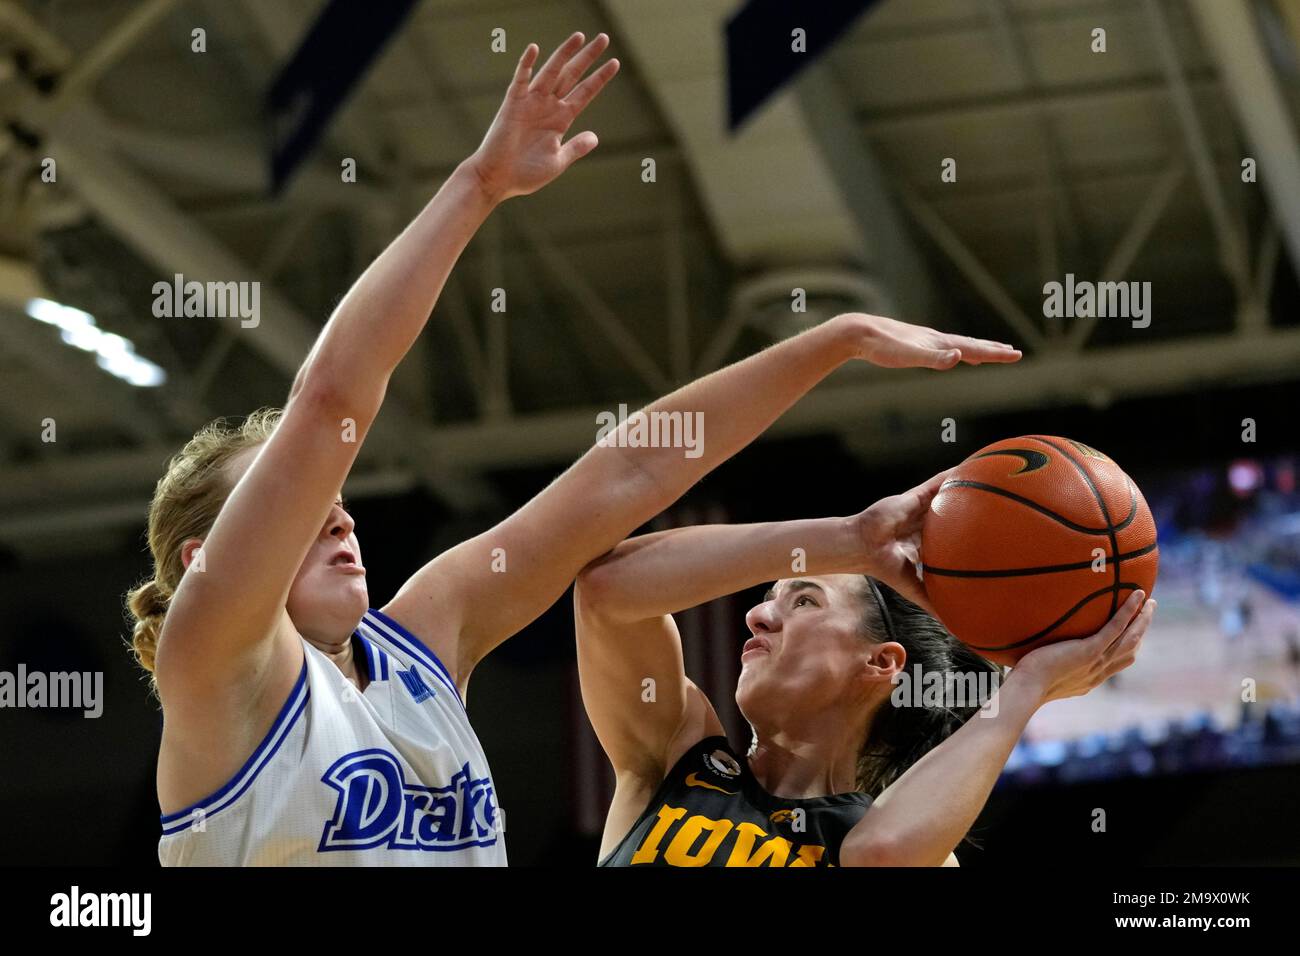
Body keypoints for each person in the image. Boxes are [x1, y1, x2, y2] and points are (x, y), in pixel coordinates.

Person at [124, 31, 1023, 866]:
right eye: (301, 513)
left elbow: (630, 470)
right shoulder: (216, 668)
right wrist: (477, 186)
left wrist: (833, 343)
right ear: (208, 560)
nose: (340, 517)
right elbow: (325, 408)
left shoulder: (424, 638)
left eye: (339, 506)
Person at [575, 475, 1157, 866]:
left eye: (803, 601)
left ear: (880, 662)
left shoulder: (890, 839)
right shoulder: (679, 752)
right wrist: (848, 539)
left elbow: (880, 854)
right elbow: (605, 590)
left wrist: (1027, 687)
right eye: (770, 597)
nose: (756, 616)